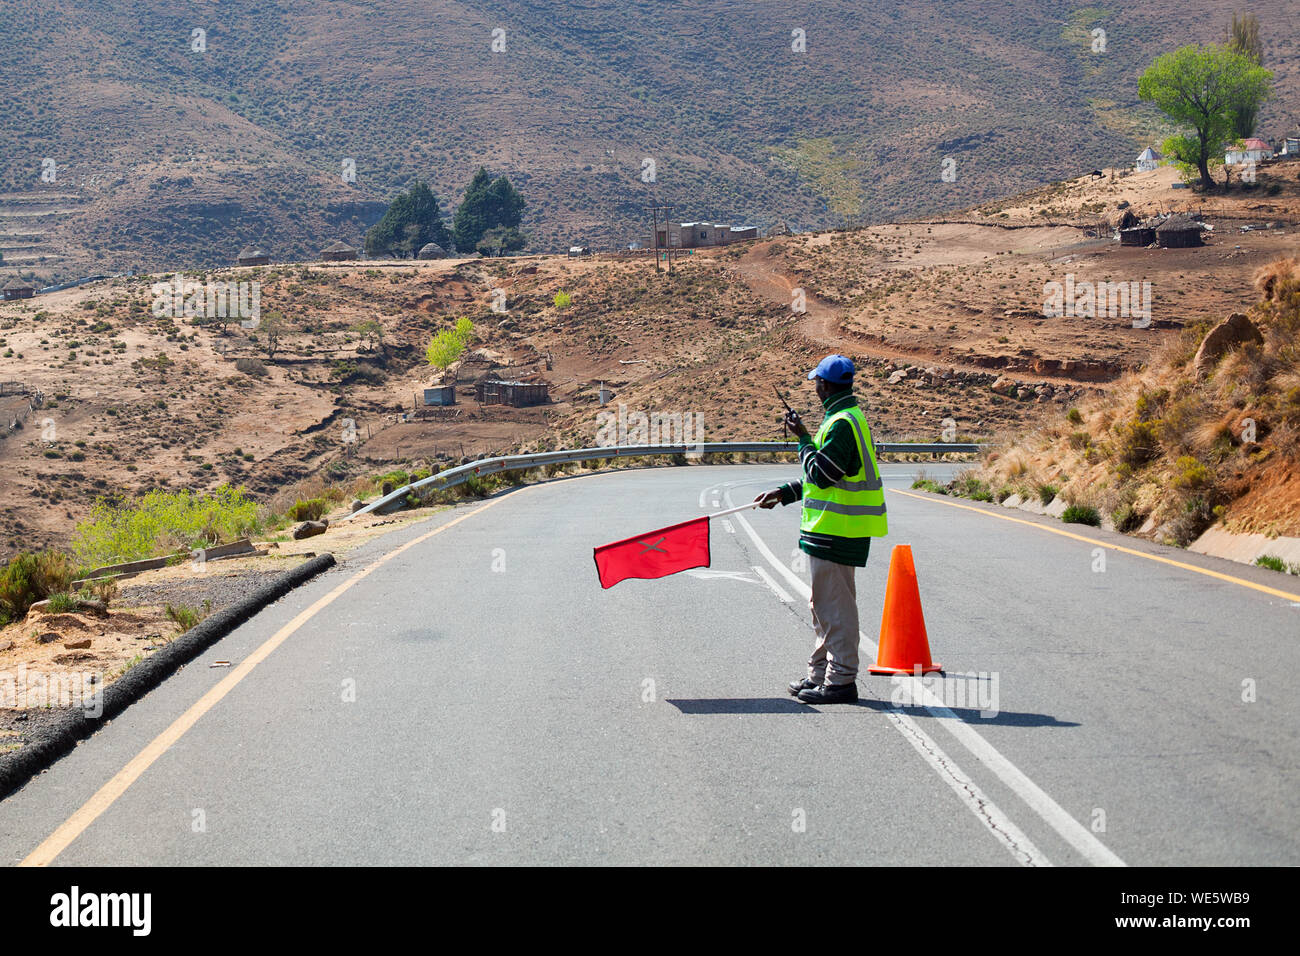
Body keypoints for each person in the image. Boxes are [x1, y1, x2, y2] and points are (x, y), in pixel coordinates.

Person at [754, 354, 888, 704]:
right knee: (824, 606)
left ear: (825, 386)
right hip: (832, 529)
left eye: (816, 382)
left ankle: (841, 680)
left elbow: (822, 474)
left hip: (837, 530)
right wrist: (785, 493)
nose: (815, 387)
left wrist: (802, 438)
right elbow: (824, 477)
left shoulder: (842, 423)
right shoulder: (843, 419)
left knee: (835, 608)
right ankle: (820, 674)